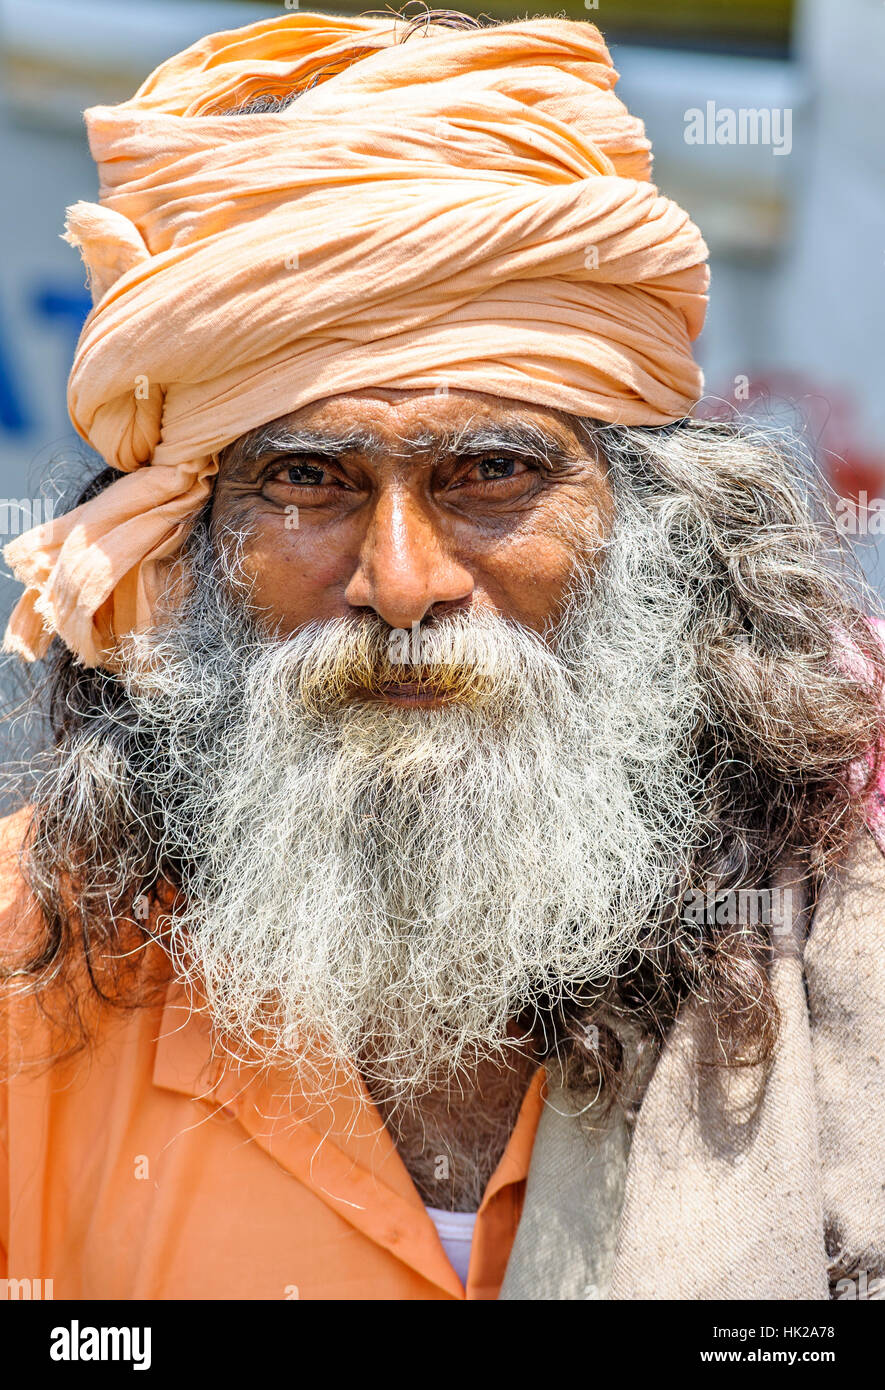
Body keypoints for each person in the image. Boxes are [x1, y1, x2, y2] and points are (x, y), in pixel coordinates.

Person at [1, 8, 883, 1301]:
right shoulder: (30, 953)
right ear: (187, 541)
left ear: (658, 529)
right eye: (306, 479)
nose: (401, 585)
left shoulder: (840, 961)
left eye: (491, 473)